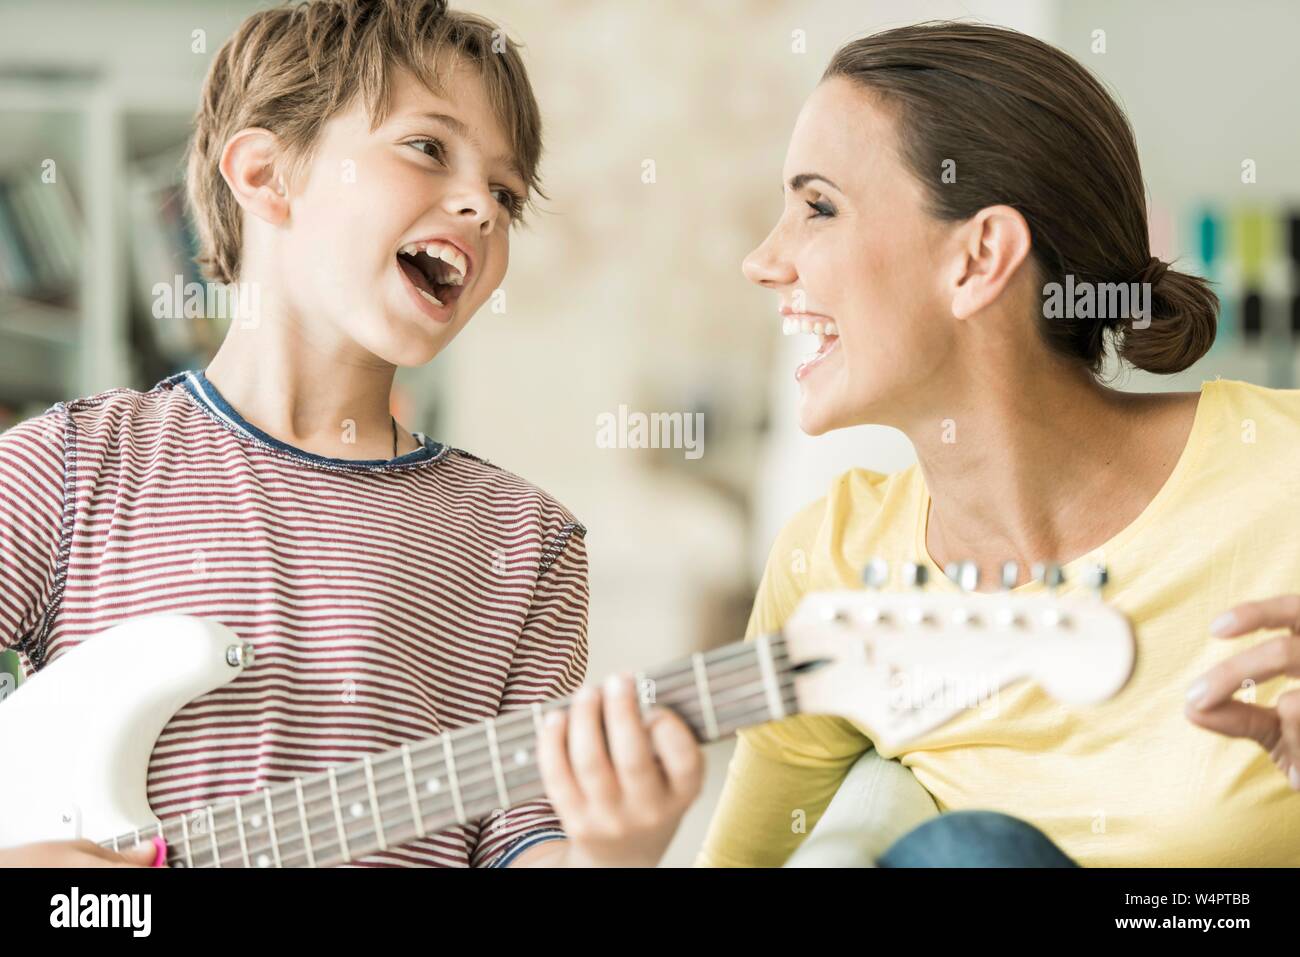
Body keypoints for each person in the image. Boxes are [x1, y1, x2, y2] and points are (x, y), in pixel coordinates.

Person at [0, 0, 701, 869]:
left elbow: (525, 845)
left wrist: (615, 850)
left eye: (506, 192)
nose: (481, 206)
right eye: (428, 147)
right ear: (266, 175)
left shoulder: (527, 545)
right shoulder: (67, 467)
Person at [697, 21, 1300, 867]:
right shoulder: (829, 563)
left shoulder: (1284, 469)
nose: (764, 261)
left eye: (818, 208)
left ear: (980, 258)